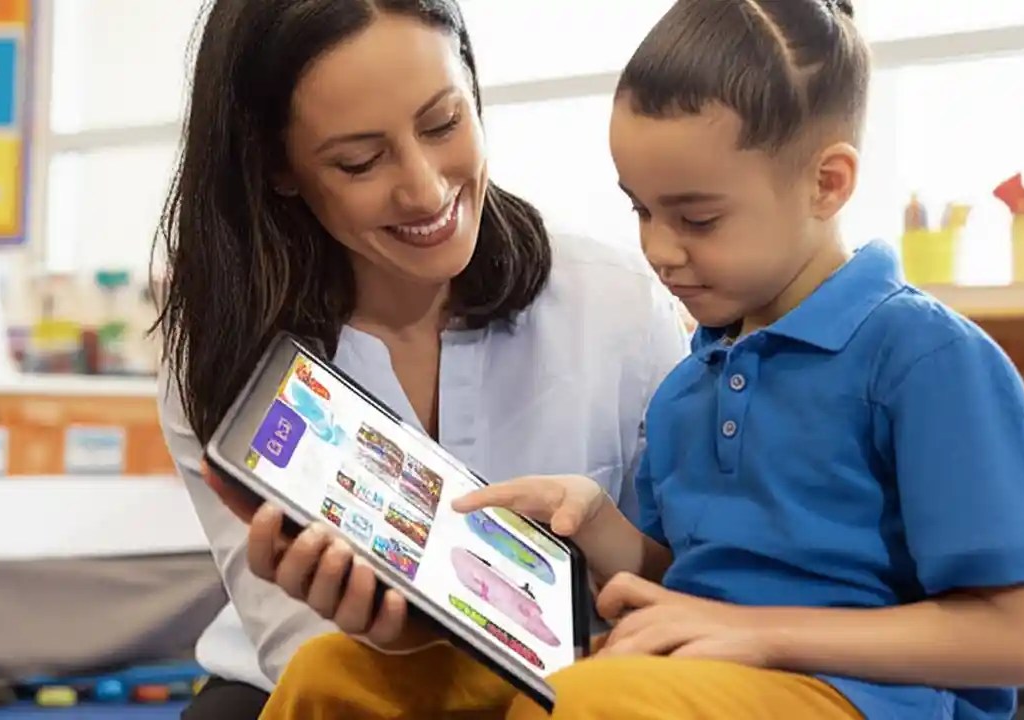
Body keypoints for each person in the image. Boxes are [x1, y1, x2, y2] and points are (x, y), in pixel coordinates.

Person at [248, 0, 1024, 718]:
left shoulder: (924, 359)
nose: (658, 251)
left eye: (697, 218)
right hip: (690, 672)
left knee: (592, 701)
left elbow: (1016, 640)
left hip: (862, 695)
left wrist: (751, 633)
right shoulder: (688, 383)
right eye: (641, 210)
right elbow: (686, 582)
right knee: (338, 675)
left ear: (828, 182)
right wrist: (599, 525)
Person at [152, 0, 690, 718]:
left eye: (443, 123)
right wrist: (395, 640)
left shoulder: (617, 304)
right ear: (279, 166)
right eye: (360, 161)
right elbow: (297, 651)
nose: (427, 188)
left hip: (580, 682)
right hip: (321, 682)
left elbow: (689, 579)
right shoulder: (227, 352)